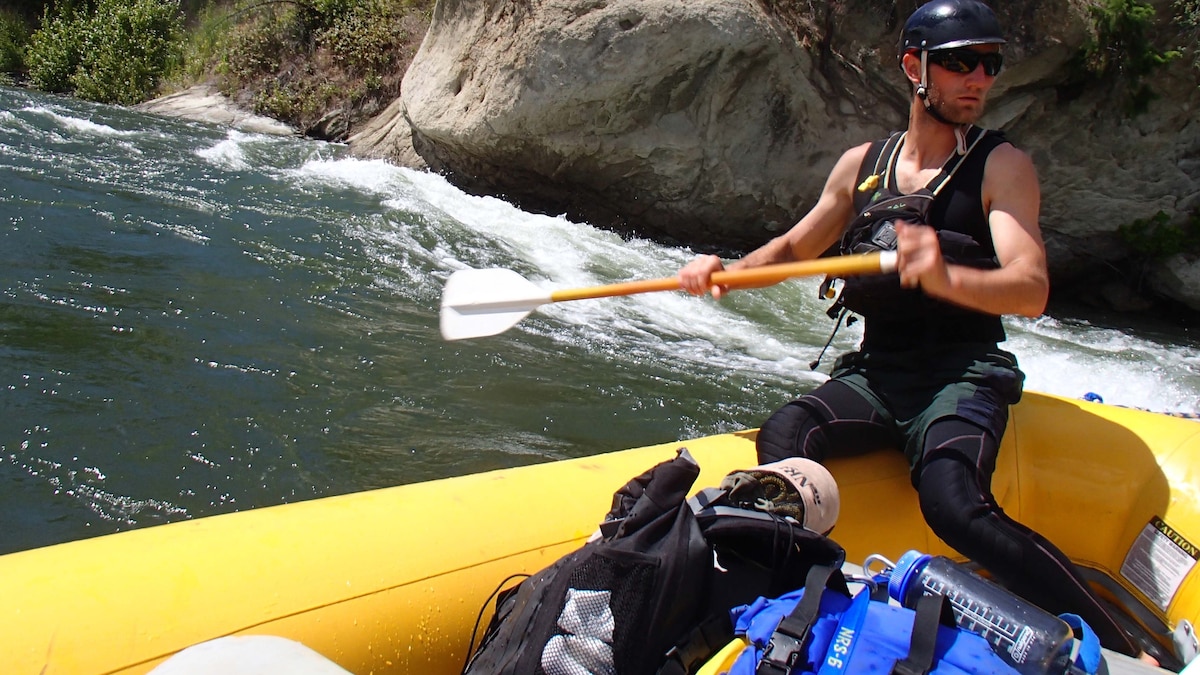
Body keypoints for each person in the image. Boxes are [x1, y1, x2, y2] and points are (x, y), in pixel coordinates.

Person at [678, 0, 1146, 660]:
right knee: (788, 434)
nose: (979, 78)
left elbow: (1031, 286)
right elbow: (794, 249)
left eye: (990, 63)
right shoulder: (863, 166)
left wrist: (946, 276)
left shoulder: (1001, 166)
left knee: (951, 501)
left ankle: (1121, 641)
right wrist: (726, 272)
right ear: (913, 67)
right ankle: (808, 596)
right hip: (877, 372)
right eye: (960, 63)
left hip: (960, 373)